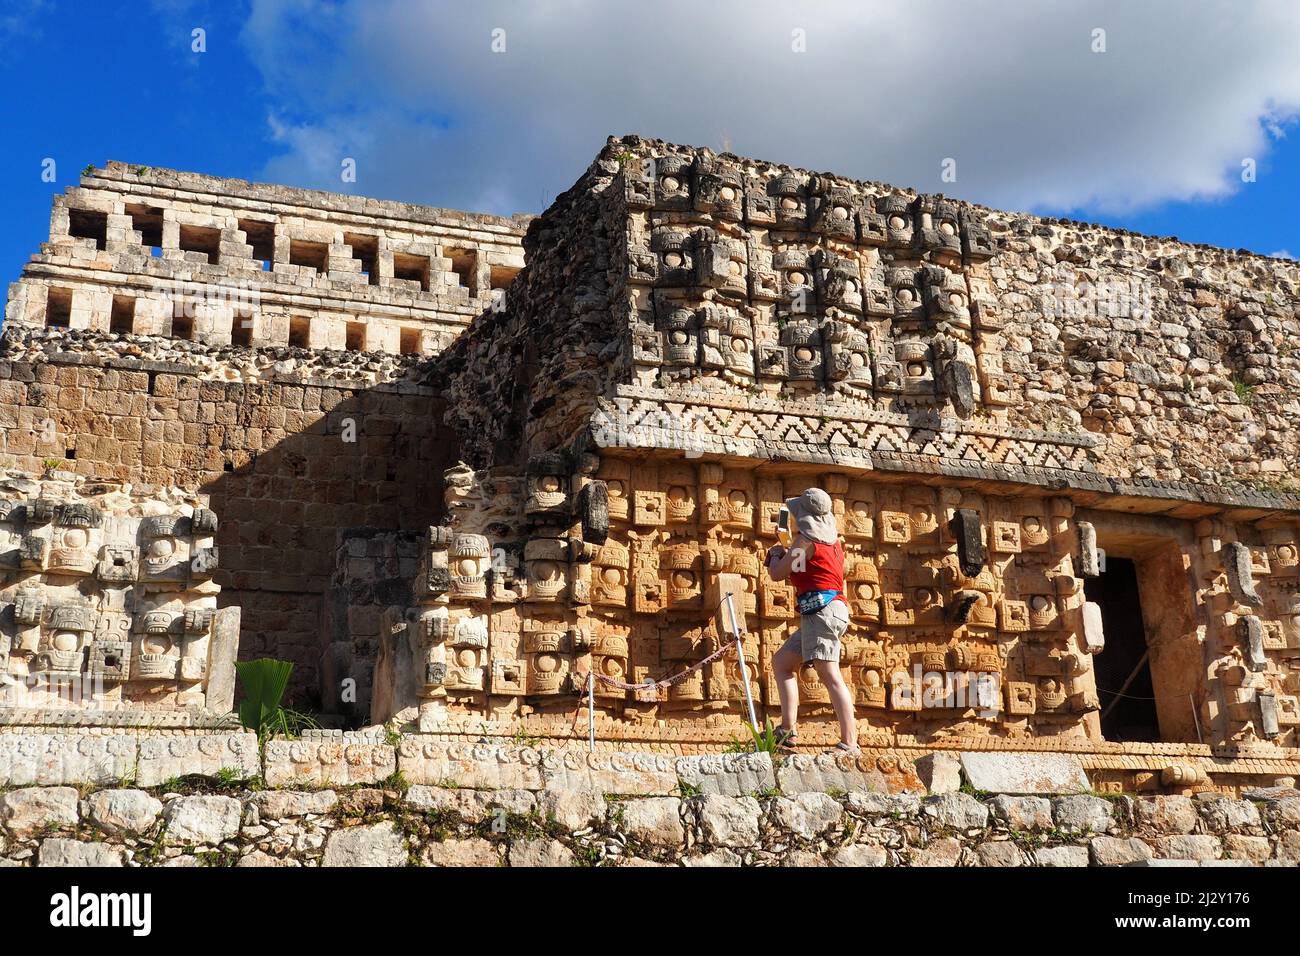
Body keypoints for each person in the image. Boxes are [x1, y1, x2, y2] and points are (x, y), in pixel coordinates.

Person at [764, 487, 859, 754]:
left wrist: (775, 554)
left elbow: (777, 574)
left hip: (823, 613)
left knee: (830, 674)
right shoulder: (833, 543)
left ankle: (850, 743)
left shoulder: (805, 543)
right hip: (824, 612)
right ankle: (787, 729)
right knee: (782, 662)